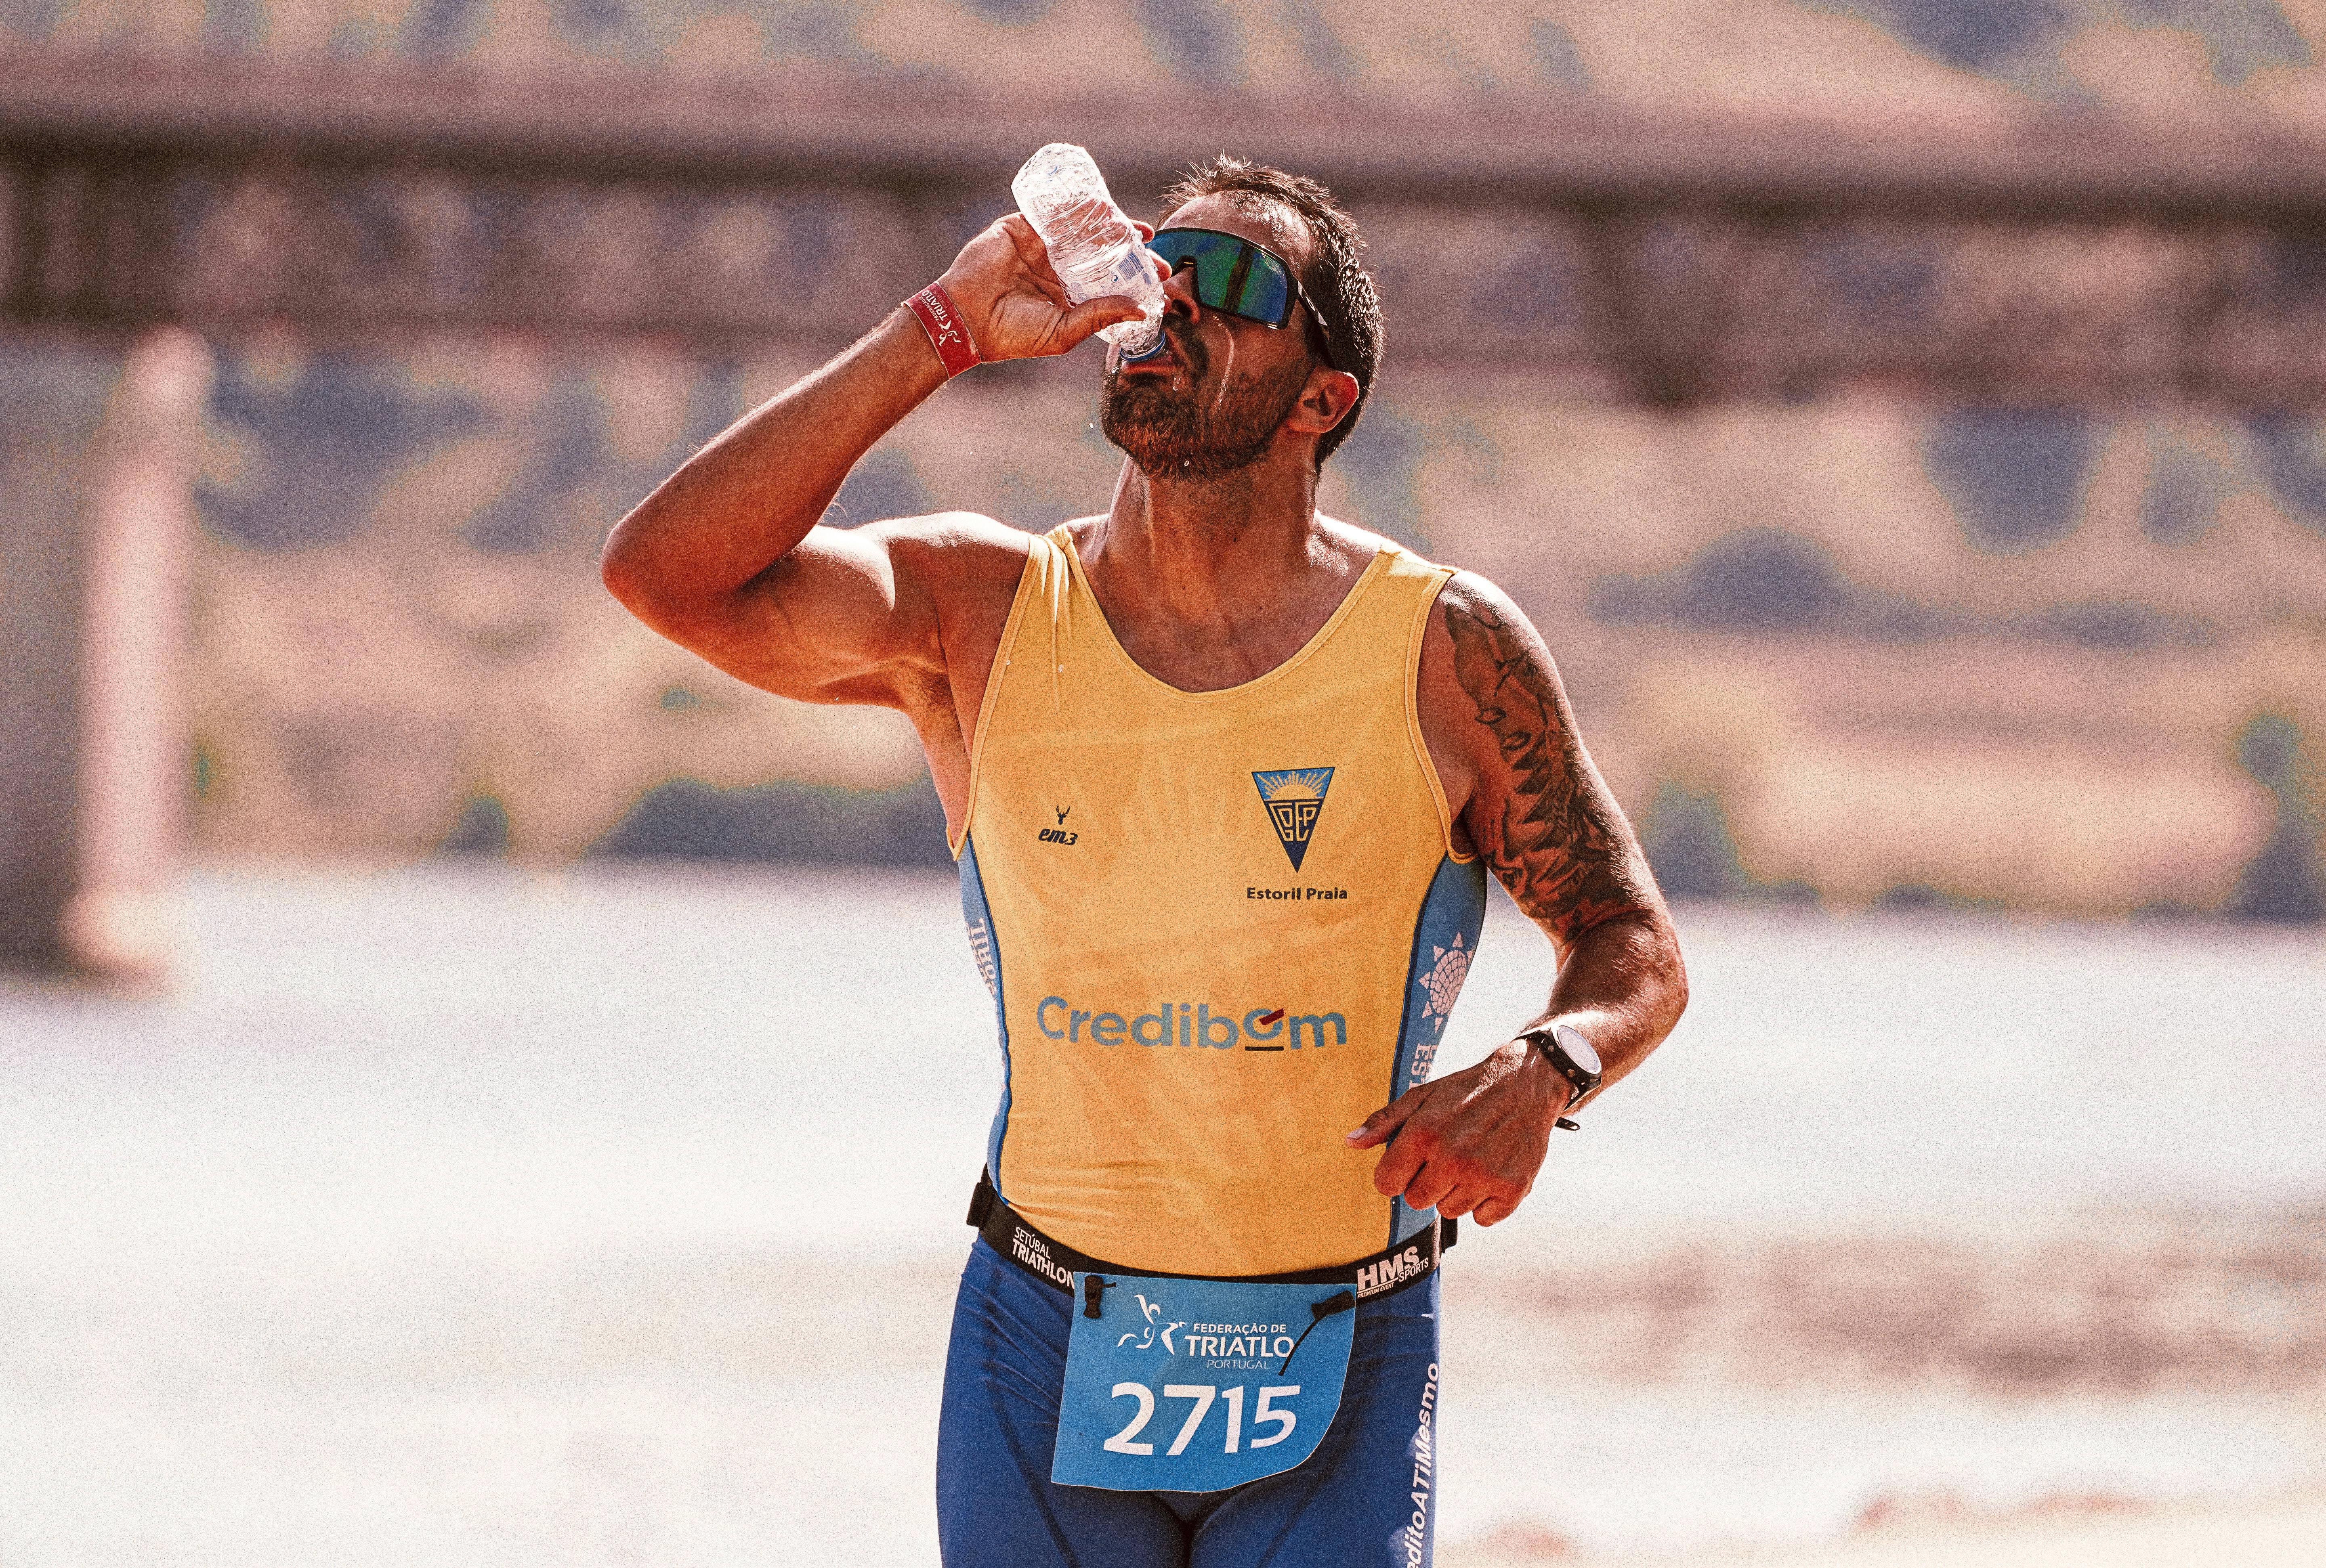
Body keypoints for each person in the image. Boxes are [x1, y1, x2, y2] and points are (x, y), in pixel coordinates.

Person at [600, 155, 1688, 1568]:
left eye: (1231, 283)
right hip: (1041, 1341)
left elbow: (1632, 944)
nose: (1166, 296)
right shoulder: (976, 613)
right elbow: (662, 576)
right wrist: (938, 329)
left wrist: (1550, 1067)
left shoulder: (1443, 651)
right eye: (1156, 261)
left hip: (1339, 1342)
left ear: (1321, 398)